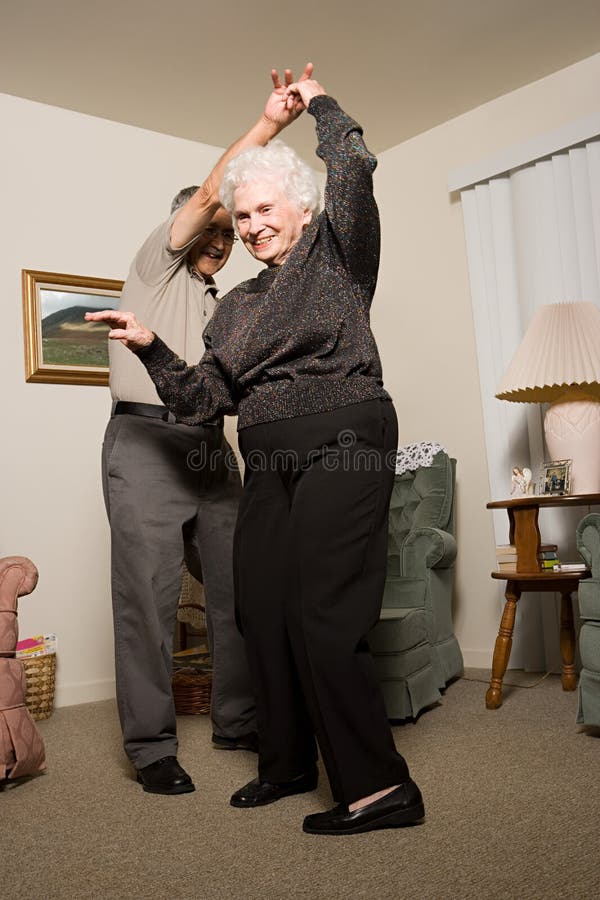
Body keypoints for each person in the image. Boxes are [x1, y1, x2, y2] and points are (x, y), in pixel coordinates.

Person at [87, 68, 425, 834]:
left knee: (323, 614)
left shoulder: (337, 253)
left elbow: (353, 163)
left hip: (344, 438)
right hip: (268, 460)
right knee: (261, 612)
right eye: (242, 216)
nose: (251, 225)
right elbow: (203, 400)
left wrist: (318, 104)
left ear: (302, 209)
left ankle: (381, 788)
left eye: (265, 209)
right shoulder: (233, 308)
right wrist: (148, 346)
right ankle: (285, 763)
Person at [100, 64, 313, 796]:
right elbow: (211, 196)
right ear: (188, 227)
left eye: (231, 234)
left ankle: (237, 719)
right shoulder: (153, 268)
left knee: (239, 591)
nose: (224, 239)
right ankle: (152, 746)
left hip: (210, 451)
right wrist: (269, 128)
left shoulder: (227, 304)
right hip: (145, 448)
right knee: (148, 601)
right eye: (215, 227)